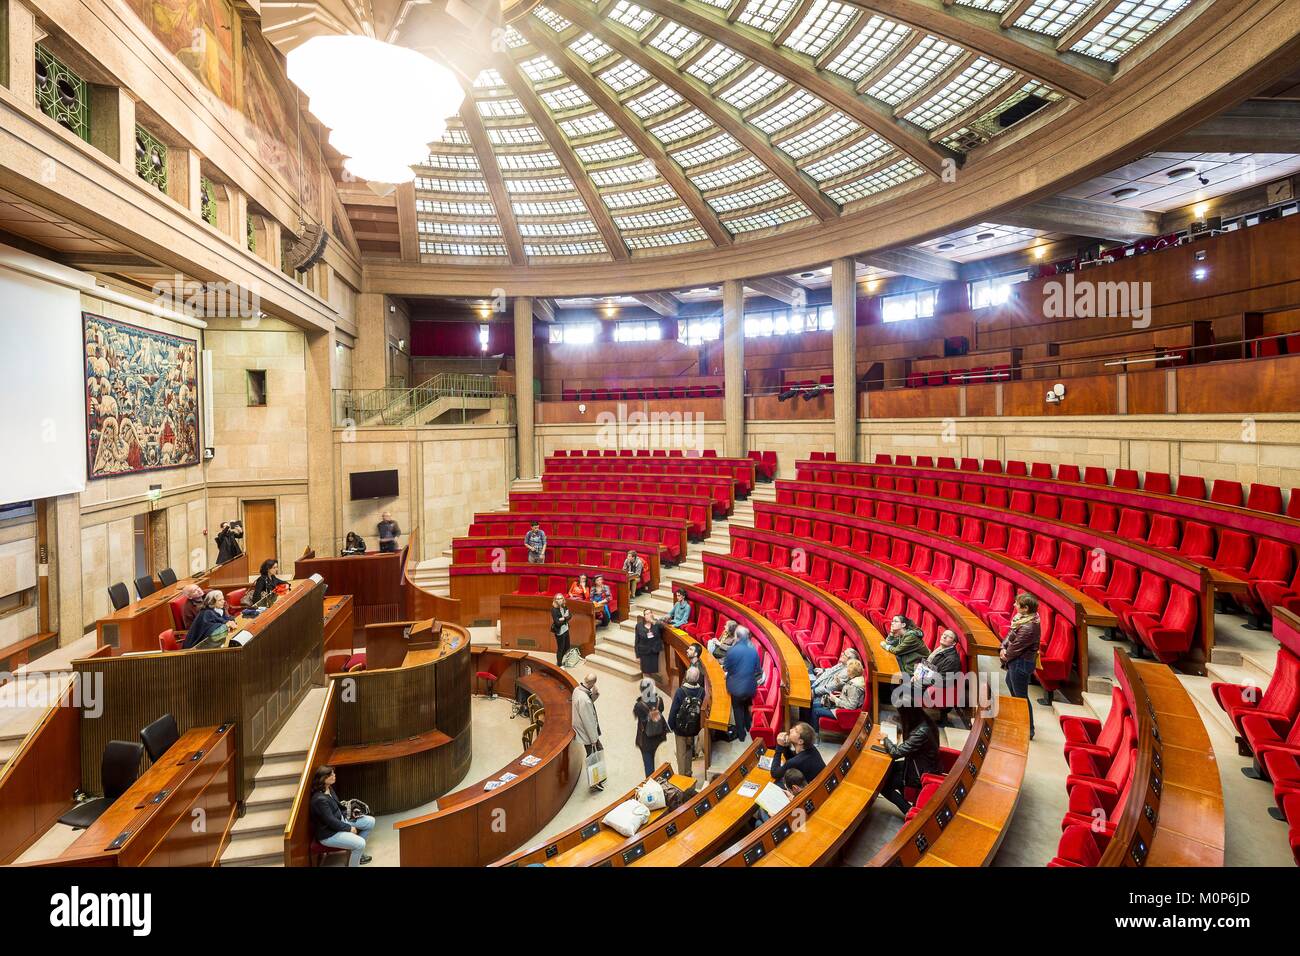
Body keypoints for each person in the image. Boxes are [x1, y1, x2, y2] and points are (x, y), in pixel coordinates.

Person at [879, 706, 941, 815]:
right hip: (919, 763)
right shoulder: (924, 720)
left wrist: (885, 739)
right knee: (888, 769)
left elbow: (896, 753)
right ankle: (906, 794)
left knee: (883, 784)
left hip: (921, 773)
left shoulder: (920, 733)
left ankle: (908, 810)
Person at [310, 766, 374, 866]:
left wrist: (351, 812)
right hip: (329, 833)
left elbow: (338, 806)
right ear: (324, 778)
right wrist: (349, 828)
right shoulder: (319, 800)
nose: (334, 775)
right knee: (360, 843)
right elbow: (330, 821)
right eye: (331, 774)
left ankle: (358, 854)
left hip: (340, 820)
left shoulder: (329, 788)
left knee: (370, 822)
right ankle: (355, 856)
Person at [1001, 593, 1041, 740]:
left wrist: (1005, 654)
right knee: (1010, 684)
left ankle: (1028, 729)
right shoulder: (1022, 620)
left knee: (1021, 696)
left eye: (1017, 604)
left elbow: (1016, 647)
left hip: (1021, 663)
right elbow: (1011, 635)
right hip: (1016, 661)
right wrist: (1002, 646)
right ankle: (1019, 719)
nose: (1014, 606)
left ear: (1025, 608)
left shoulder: (1029, 627)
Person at [722, 625, 760, 742]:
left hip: (736, 687)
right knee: (746, 704)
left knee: (737, 709)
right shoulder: (753, 650)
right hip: (750, 686)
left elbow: (726, 668)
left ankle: (741, 735)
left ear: (737, 637)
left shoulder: (732, 651)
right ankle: (748, 727)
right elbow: (757, 669)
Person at [668, 665, 705, 777]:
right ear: (697, 678)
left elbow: (674, 710)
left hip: (680, 729)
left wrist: (670, 726)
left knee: (681, 754)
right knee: (689, 750)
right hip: (693, 728)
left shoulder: (680, 691)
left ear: (686, 676)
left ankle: (682, 777)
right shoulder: (701, 691)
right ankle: (689, 774)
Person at [810, 658, 866, 731]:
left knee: (816, 711)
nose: (846, 671)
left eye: (848, 670)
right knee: (815, 705)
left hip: (843, 713)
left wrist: (835, 699)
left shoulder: (854, 687)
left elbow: (851, 706)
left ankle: (814, 737)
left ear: (851, 672)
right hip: (840, 706)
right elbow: (847, 694)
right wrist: (839, 683)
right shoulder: (855, 680)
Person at [571, 673, 603, 791]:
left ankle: (598, 778)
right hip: (587, 733)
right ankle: (595, 782)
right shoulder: (584, 699)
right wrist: (594, 739)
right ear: (592, 683)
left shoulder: (577, 690)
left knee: (597, 753)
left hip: (584, 730)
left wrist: (594, 693)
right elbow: (588, 721)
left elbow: (590, 702)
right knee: (593, 757)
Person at [770, 721, 825, 788]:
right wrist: (786, 746)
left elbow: (774, 773)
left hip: (810, 790)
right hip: (817, 783)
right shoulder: (811, 748)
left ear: (800, 741)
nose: (790, 730)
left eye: (795, 731)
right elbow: (793, 760)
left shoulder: (795, 762)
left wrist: (779, 746)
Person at [632, 678, 668, 777]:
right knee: (652, 758)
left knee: (649, 766)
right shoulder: (659, 700)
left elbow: (636, 715)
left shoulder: (639, 705)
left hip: (646, 739)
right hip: (658, 736)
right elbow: (661, 710)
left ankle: (651, 786)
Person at [634, 610, 663, 680]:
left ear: (652, 614)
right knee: (645, 672)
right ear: (644, 616)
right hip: (644, 652)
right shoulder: (639, 626)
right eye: (646, 614)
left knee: (651, 672)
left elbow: (662, 626)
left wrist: (652, 621)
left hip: (654, 651)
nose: (647, 615)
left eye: (649, 613)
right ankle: (647, 689)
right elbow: (636, 641)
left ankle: (650, 687)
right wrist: (637, 655)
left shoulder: (656, 623)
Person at [551, 593, 572, 667]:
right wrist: (565, 618)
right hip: (559, 631)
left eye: (560, 598)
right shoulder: (554, 609)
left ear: (563, 599)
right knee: (561, 648)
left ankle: (560, 660)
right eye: (557, 598)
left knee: (567, 646)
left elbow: (570, 616)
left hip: (566, 629)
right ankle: (559, 664)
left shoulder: (564, 607)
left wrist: (563, 618)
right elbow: (557, 623)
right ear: (555, 600)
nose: (559, 600)